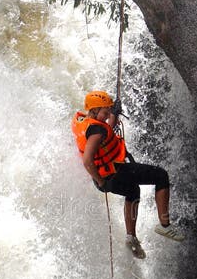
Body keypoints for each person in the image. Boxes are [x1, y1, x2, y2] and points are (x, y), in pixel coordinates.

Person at [72, 90, 184, 258]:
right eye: (105, 112)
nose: (107, 115)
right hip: (112, 175)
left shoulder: (85, 121)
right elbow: (87, 160)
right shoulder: (97, 131)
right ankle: (165, 226)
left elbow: (103, 133)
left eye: (108, 112)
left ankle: (131, 238)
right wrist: (102, 182)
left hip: (105, 176)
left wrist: (114, 115)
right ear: (94, 110)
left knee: (133, 190)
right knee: (161, 176)